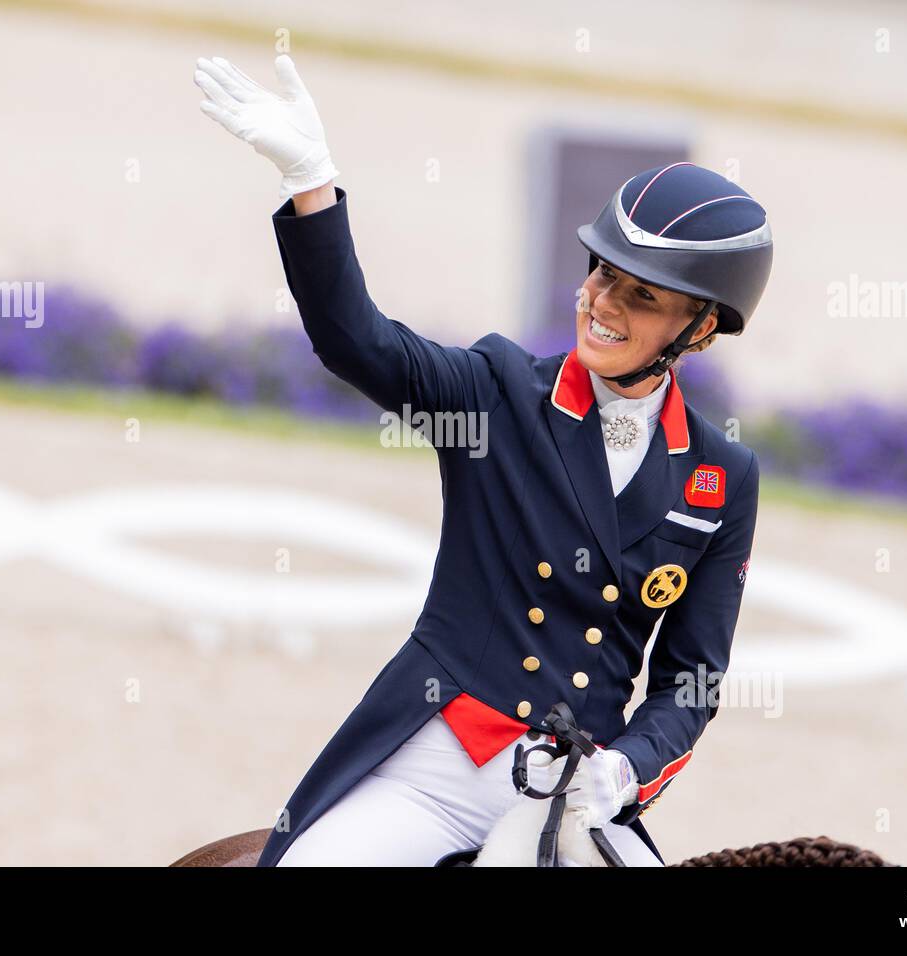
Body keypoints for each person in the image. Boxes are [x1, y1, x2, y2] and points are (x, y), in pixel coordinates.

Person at [194, 54, 772, 867]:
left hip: (580, 791)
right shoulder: (498, 392)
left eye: (642, 295)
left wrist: (625, 773)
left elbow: (691, 684)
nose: (604, 303)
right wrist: (312, 184)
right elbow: (357, 340)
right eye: (603, 274)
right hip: (437, 766)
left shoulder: (723, 478)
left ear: (702, 327)